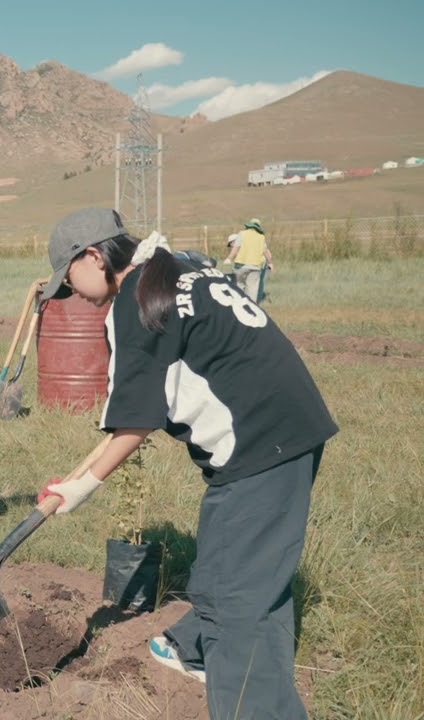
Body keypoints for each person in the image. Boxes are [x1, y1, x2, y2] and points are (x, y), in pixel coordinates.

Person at [35, 208, 337, 719]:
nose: (73, 292)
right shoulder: (177, 266)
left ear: (94, 258)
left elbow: (137, 420)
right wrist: (76, 478)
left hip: (262, 444)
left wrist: (81, 487)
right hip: (286, 428)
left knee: (238, 607)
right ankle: (193, 648)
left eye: (69, 278)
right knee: (234, 567)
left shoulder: (134, 301)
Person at [224, 218, 273, 302]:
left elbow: (236, 247)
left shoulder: (242, 234)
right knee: (252, 290)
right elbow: (265, 251)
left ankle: (238, 305)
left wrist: (229, 258)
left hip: (241, 266)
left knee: (238, 287)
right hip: (256, 266)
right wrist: (270, 263)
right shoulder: (261, 237)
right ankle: (252, 307)